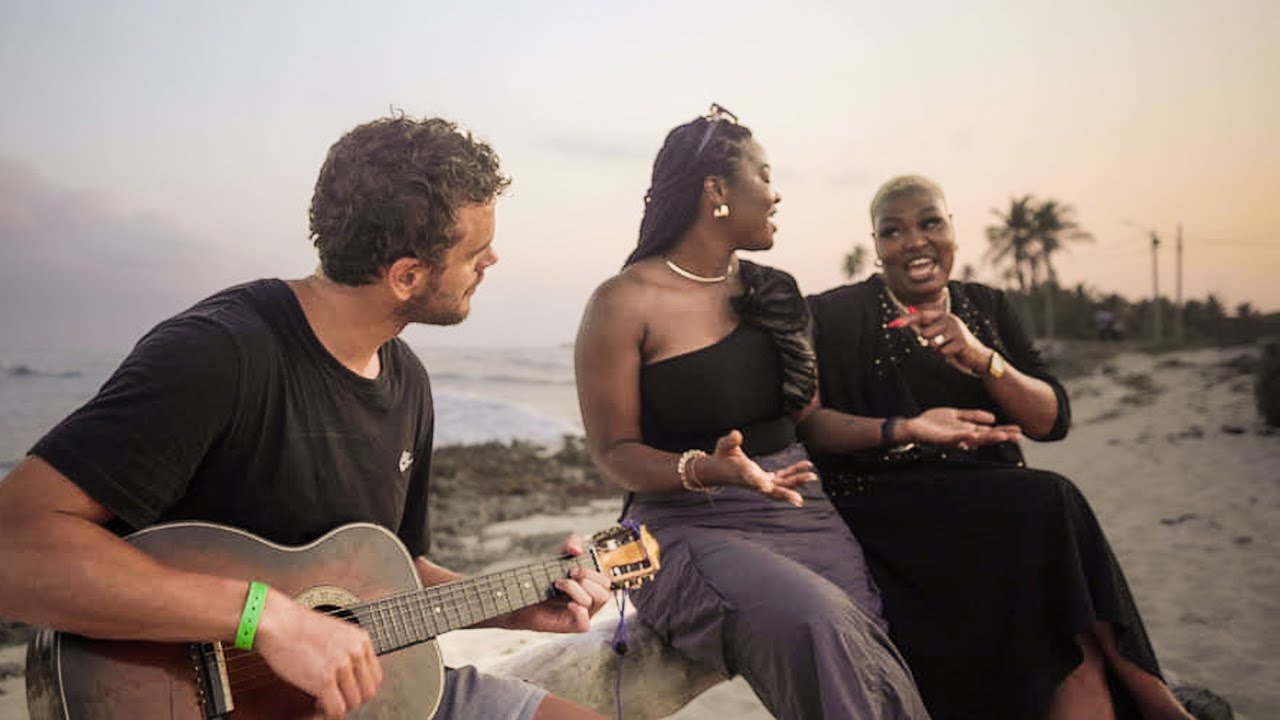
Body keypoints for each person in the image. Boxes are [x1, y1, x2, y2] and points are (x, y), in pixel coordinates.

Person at [0, 115, 612, 720]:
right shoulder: (218, 354)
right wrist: (264, 616)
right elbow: (15, 549)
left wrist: (515, 605)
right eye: (476, 251)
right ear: (406, 276)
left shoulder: (408, 383)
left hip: (374, 695)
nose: (493, 260)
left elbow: (388, 577)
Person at [574, 105, 1021, 719]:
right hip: (680, 531)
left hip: (800, 514)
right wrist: (711, 469)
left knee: (869, 642)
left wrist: (906, 428)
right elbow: (614, 454)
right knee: (815, 617)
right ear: (717, 190)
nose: (776, 193)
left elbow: (808, 422)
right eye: (764, 174)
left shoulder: (774, 292)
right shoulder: (624, 304)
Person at [804, 174, 1193, 720]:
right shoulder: (834, 314)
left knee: (1066, 635)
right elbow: (812, 427)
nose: (914, 240)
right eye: (893, 231)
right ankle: (1154, 697)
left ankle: (1141, 692)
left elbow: (1051, 419)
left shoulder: (985, 306)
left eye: (930, 222)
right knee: (1051, 502)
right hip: (888, 506)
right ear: (876, 246)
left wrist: (984, 357)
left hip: (995, 504)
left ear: (953, 230)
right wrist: (907, 428)